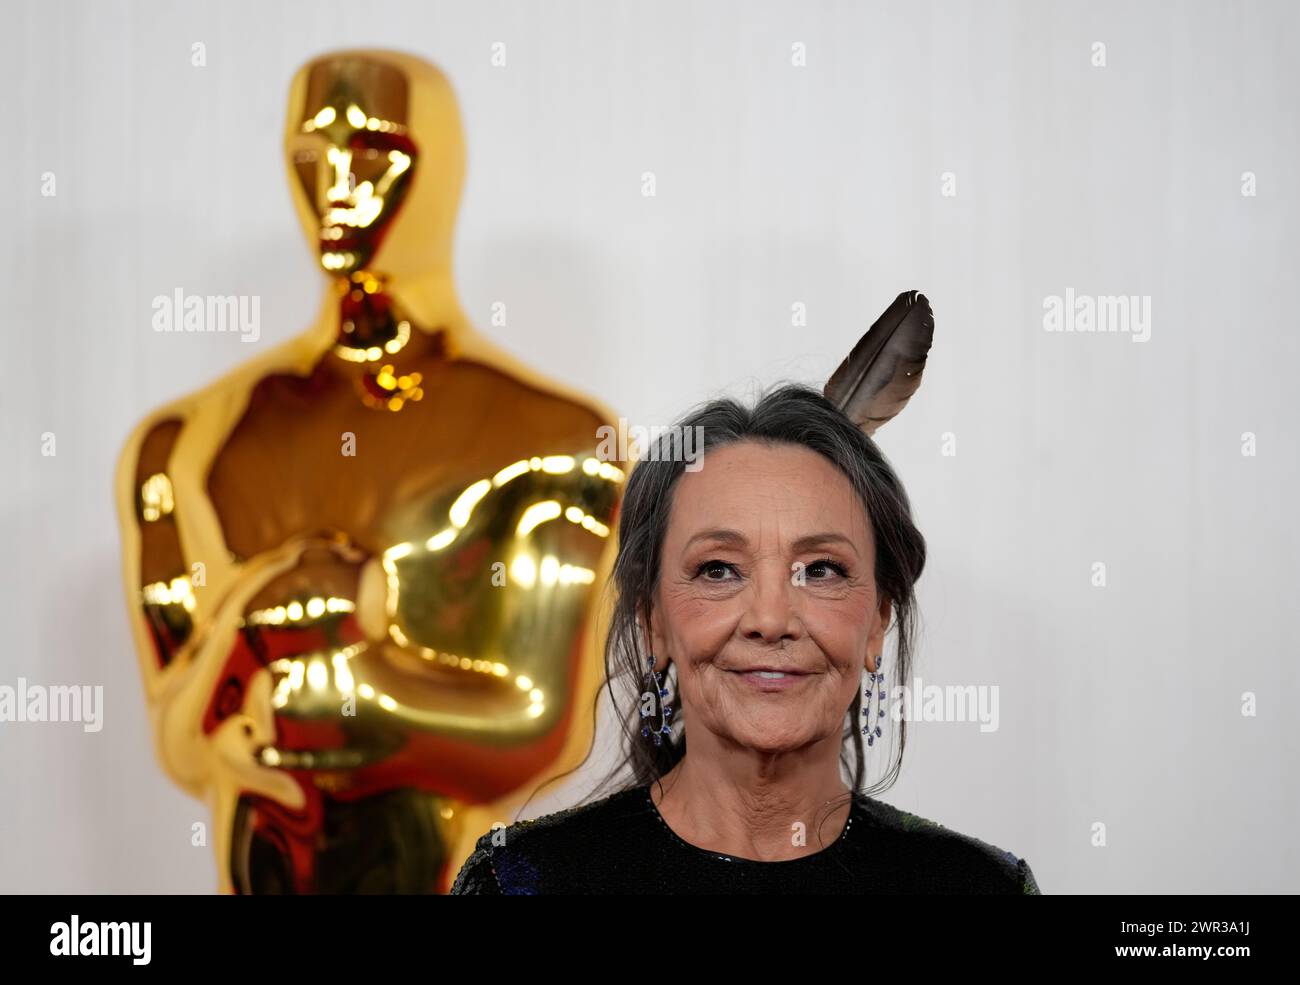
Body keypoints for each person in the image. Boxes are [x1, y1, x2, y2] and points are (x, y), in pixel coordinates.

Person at [451, 383, 1040, 894]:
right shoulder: (521, 881)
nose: (770, 618)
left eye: (821, 569)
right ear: (653, 620)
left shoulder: (980, 886)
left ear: (878, 620)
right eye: (718, 569)